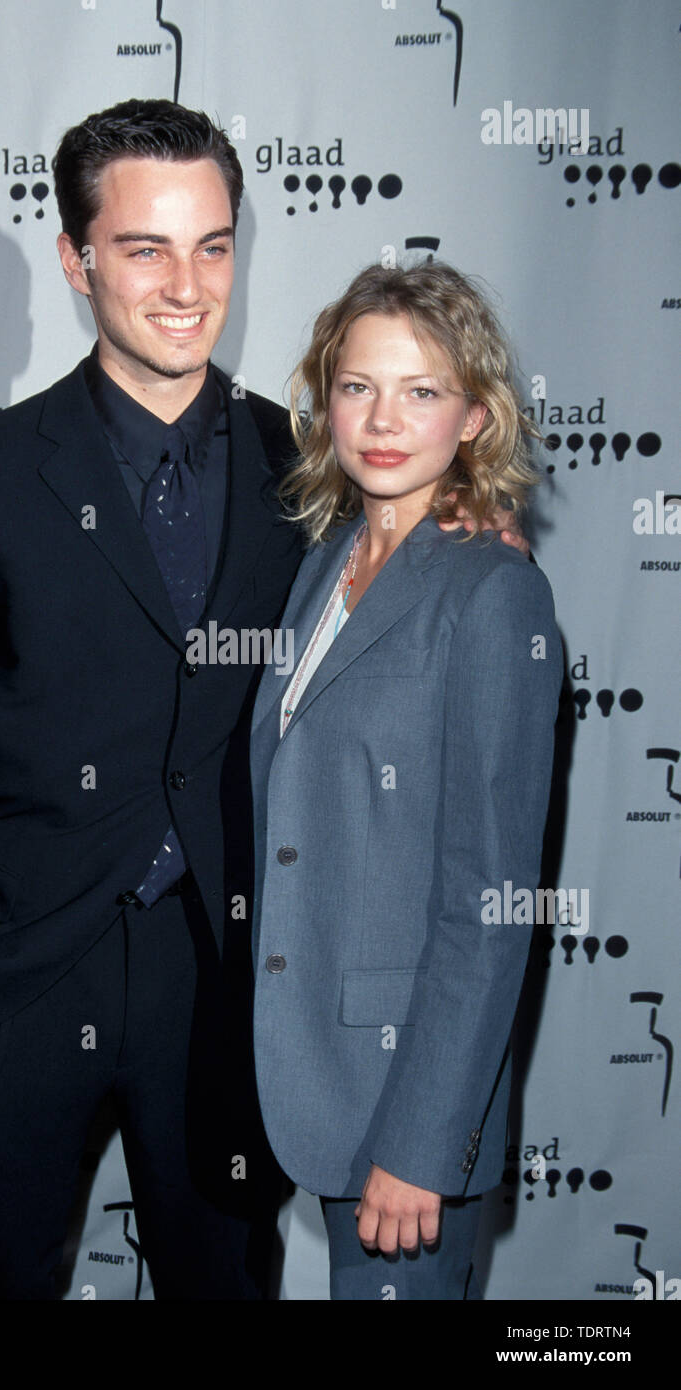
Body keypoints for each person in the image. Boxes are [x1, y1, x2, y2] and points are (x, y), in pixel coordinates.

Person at [0, 99, 525, 1301]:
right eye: (144, 247)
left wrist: (470, 518)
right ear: (76, 259)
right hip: (11, 986)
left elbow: (415, 550)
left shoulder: (316, 468)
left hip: (230, 987)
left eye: (212, 245)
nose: (186, 285)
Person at [250, 261, 563, 1300]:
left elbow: (491, 900)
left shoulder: (492, 593)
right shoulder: (330, 559)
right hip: (320, 1073)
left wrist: (427, 1139)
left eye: (422, 391)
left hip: (403, 1102)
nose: (383, 419)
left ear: (474, 415)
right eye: (357, 386)